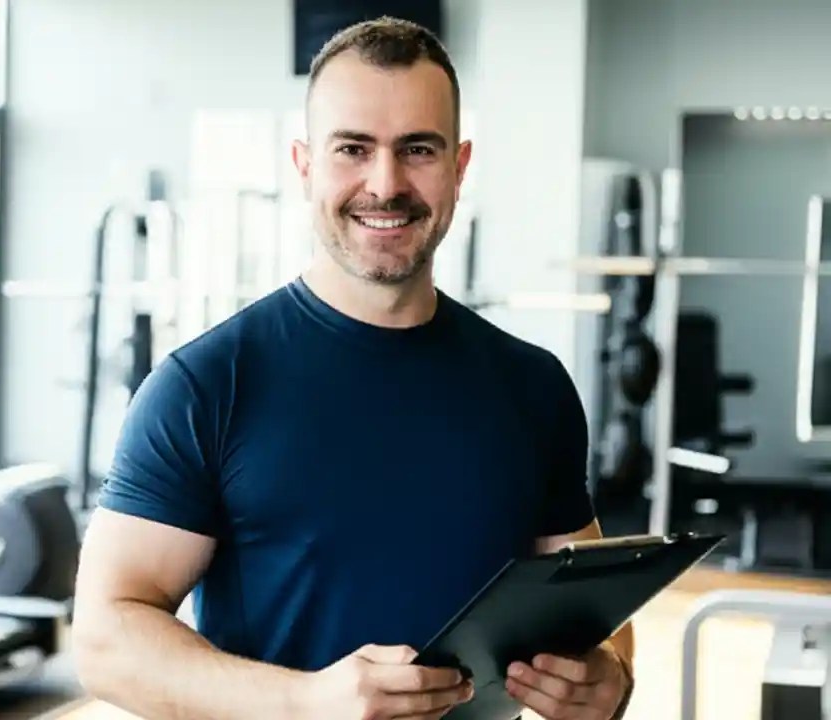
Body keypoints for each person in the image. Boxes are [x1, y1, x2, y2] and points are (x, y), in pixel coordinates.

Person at [71, 16, 635, 720]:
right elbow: (103, 639)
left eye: (418, 149)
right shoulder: (207, 385)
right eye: (353, 149)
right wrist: (303, 701)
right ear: (306, 165)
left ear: (459, 167)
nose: (386, 182)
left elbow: (595, 609)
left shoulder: (533, 385)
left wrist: (609, 678)